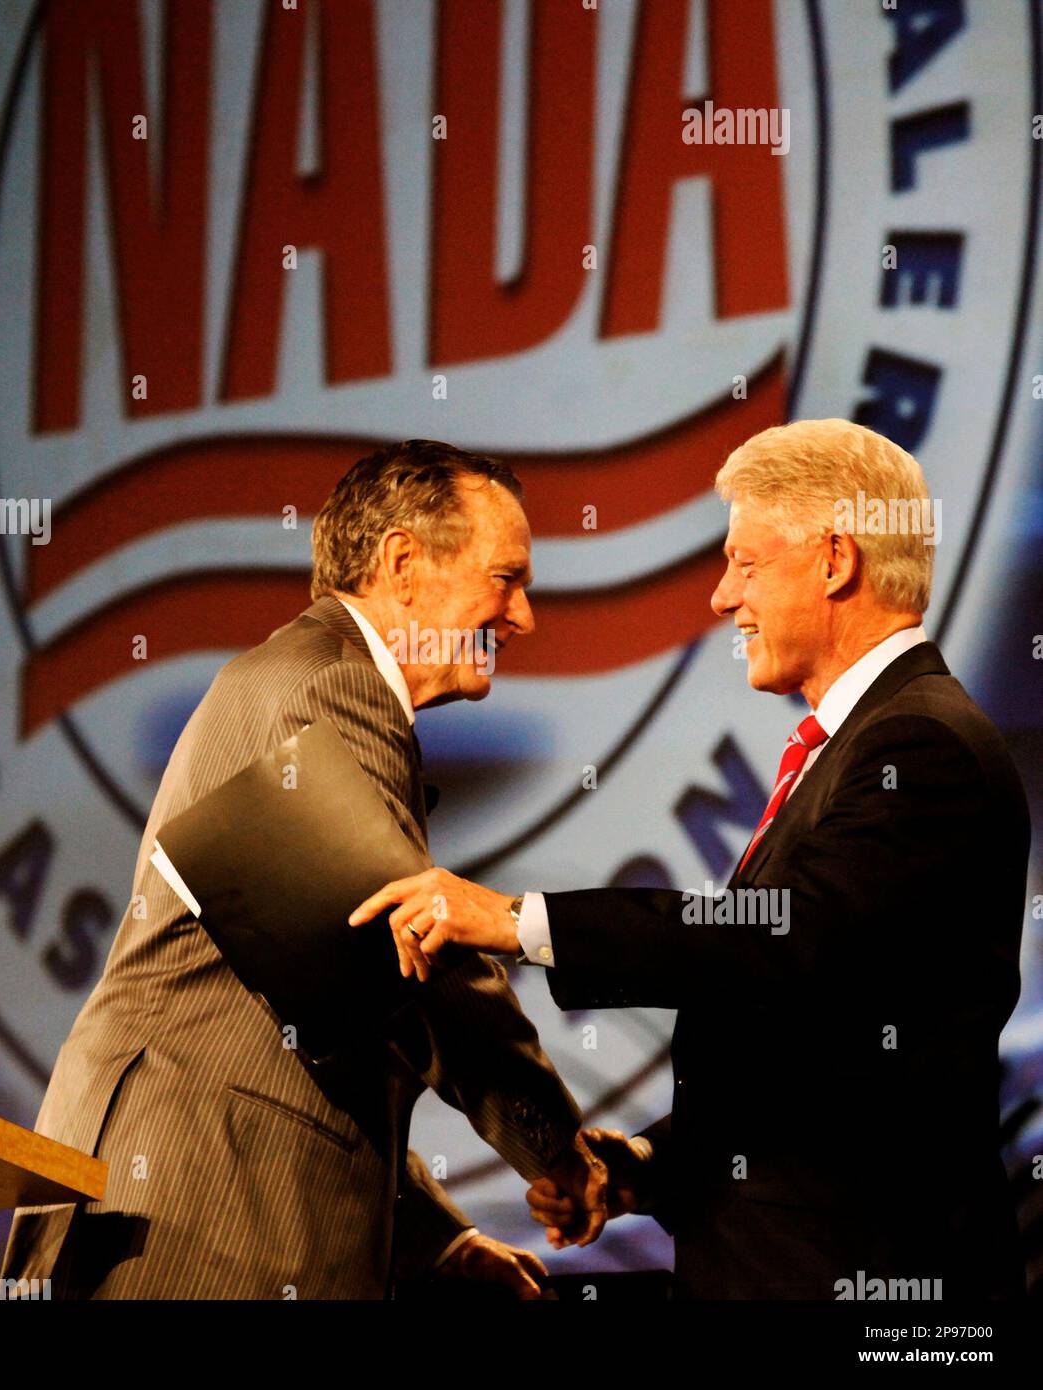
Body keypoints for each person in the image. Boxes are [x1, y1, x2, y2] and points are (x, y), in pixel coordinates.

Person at [351, 419, 1029, 1300]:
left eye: (745, 564)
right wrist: (643, 1168)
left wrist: (520, 922)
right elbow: (813, 1051)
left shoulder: (921, 743)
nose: (720, 597)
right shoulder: (864, 744)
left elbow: (777, 945)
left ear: (835, 560)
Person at [0, 439, 605, 1299]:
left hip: (188, 1202)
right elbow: (409, 957)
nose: (522, 618)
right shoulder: (326, 685)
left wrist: (435, 1239)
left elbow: (333, 1012)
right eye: (506, 578)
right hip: (188, 1213)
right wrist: (557, 1147)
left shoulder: (310, 679)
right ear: (403, 563)